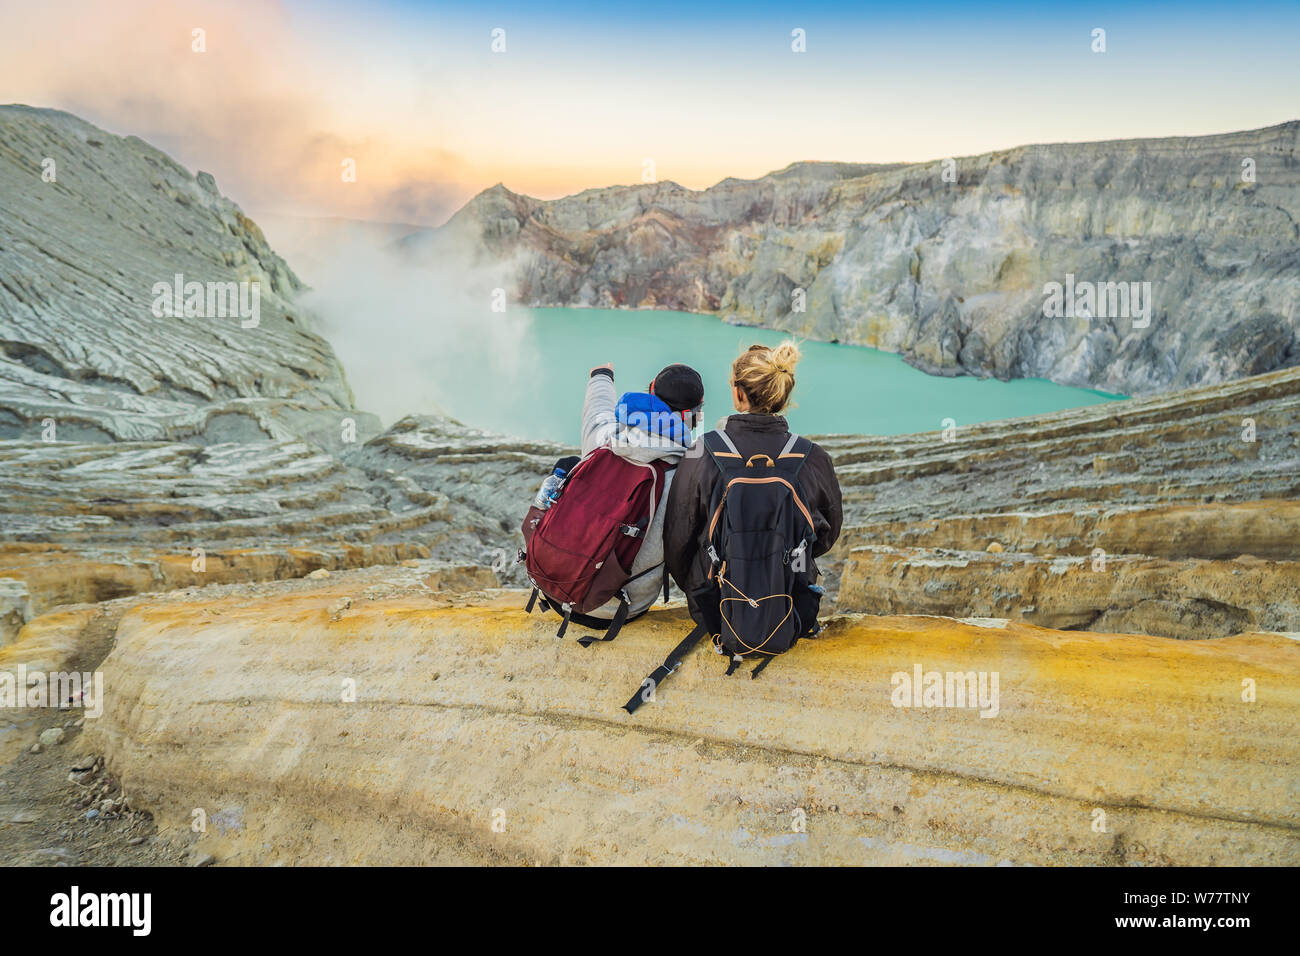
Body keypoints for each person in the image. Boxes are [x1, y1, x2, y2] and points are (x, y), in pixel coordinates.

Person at [664, 341, 842, 626]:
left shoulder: (703, 450)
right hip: (791, 606)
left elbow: (677, 539)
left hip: (716, 610)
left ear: (737, 393)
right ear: (784, 395)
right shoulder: (813, 457)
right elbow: (826, 536)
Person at [575, 360, 704, 624]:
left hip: (560, 589)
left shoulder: (606, 438)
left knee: (566, 466)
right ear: (692, 415)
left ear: (650, 395)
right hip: (621, 607)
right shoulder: (687, 473)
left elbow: (597, 410)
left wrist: (601, 376)